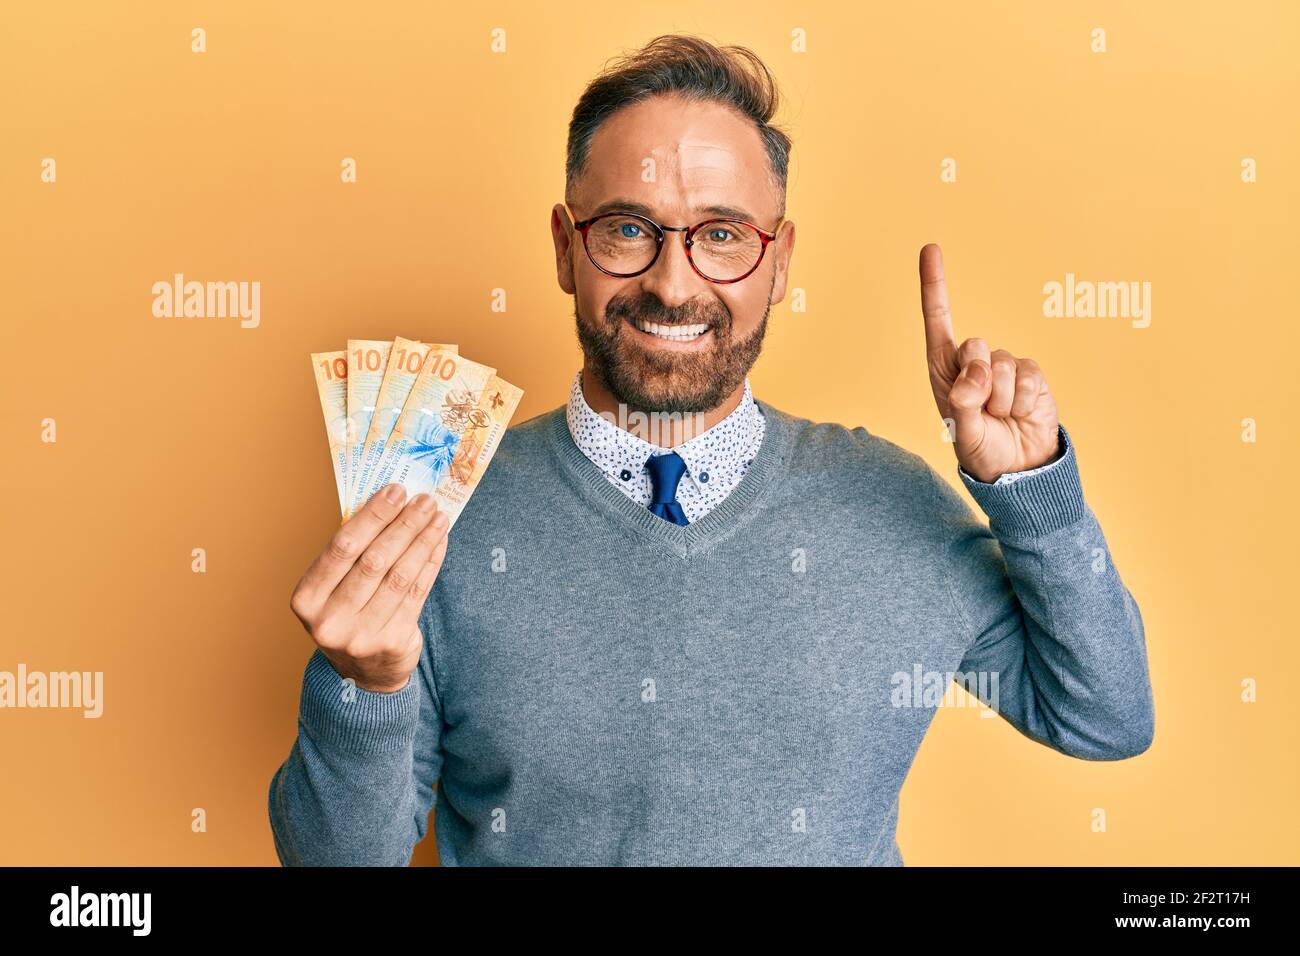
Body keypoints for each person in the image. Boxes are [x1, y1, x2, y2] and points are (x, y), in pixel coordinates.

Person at [269, 34, 1154, 866]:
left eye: (721, 235)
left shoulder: (893, 503)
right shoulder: (437, 516)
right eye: (627, 228)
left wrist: (1034, 494)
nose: (672, 282)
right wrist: (366, 686)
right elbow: (340, 859)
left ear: (779, 263)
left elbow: (1105, 716)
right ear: (563, 249)